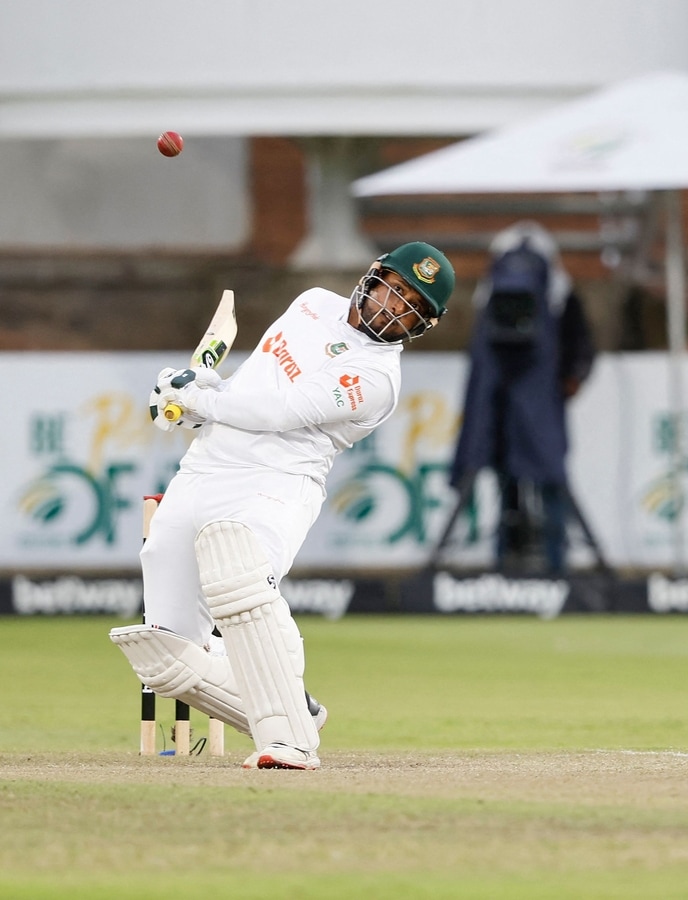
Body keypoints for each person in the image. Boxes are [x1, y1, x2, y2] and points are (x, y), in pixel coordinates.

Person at [110, 242, 454, 768]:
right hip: (206, 465)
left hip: (277, 481)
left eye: (411, 306)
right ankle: (296, 706)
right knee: (163, 658)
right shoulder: (313, 301)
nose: (393, 306)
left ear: (420, 325)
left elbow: (281, 410)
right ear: (373, 276)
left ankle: (289, 741)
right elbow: (257, 382)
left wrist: (200, 401)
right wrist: (203, 394)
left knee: (238, 578)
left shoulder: (377, 378)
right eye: (395, 289)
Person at [450, 223, 594, 574]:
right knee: (506, 484)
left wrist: (568, 380)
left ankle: (556, 565)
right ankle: (504, 566)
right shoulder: (492, 299)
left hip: (541, 402)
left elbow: (580, 345)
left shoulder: (560, 297)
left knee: (549, 480)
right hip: (501, 405)